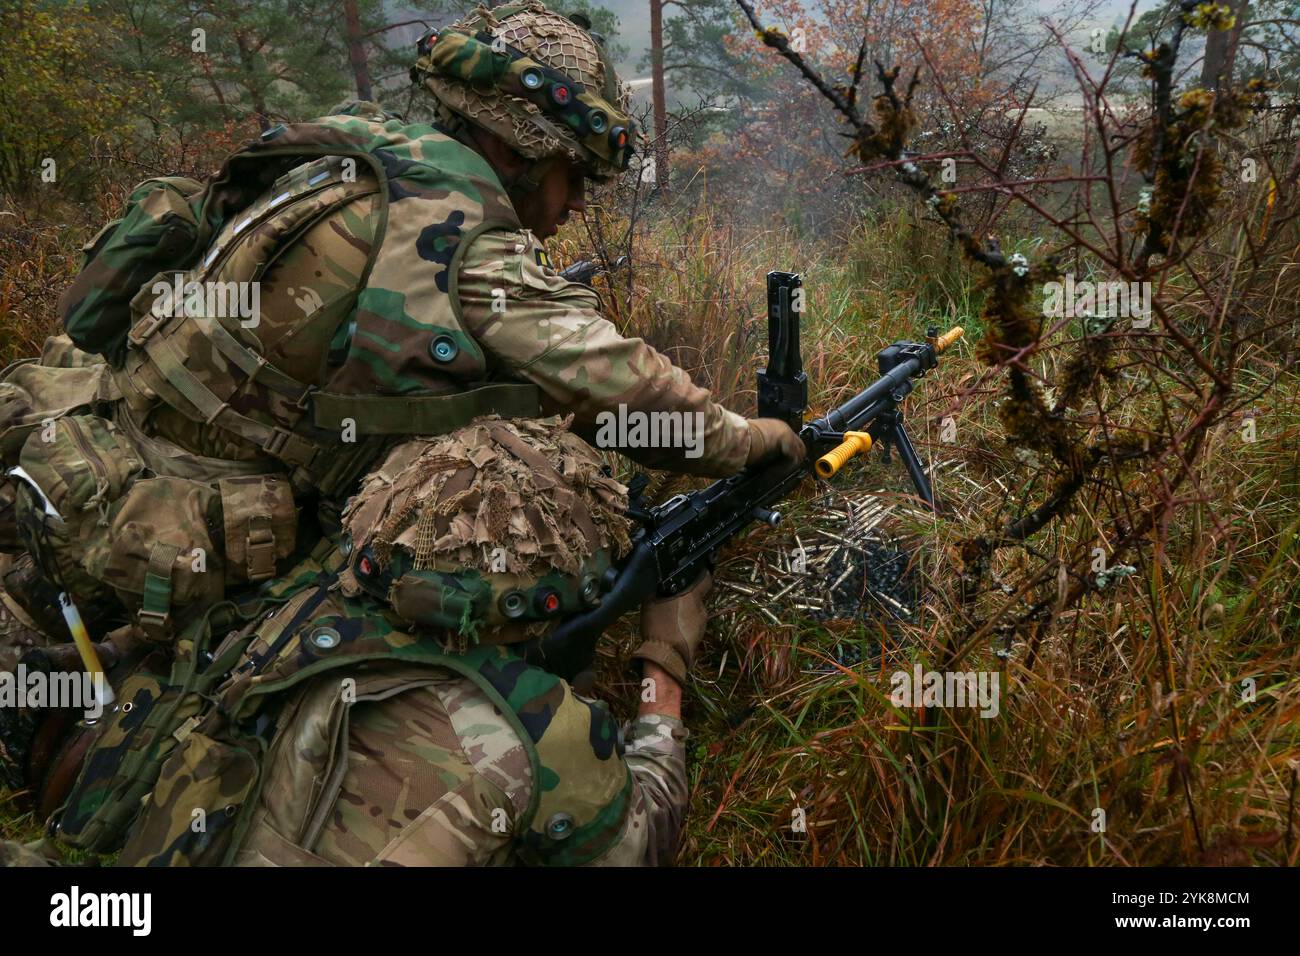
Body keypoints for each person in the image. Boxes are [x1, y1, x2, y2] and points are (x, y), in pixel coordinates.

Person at [0, 0, 805, 863]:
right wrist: (761, 441)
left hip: (95, 460)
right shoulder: (462, 230)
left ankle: (74, 704)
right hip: (194, 537)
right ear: (520, 148)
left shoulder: (347, 156)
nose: (574, 206)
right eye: (573, 176)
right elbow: (639, 399)